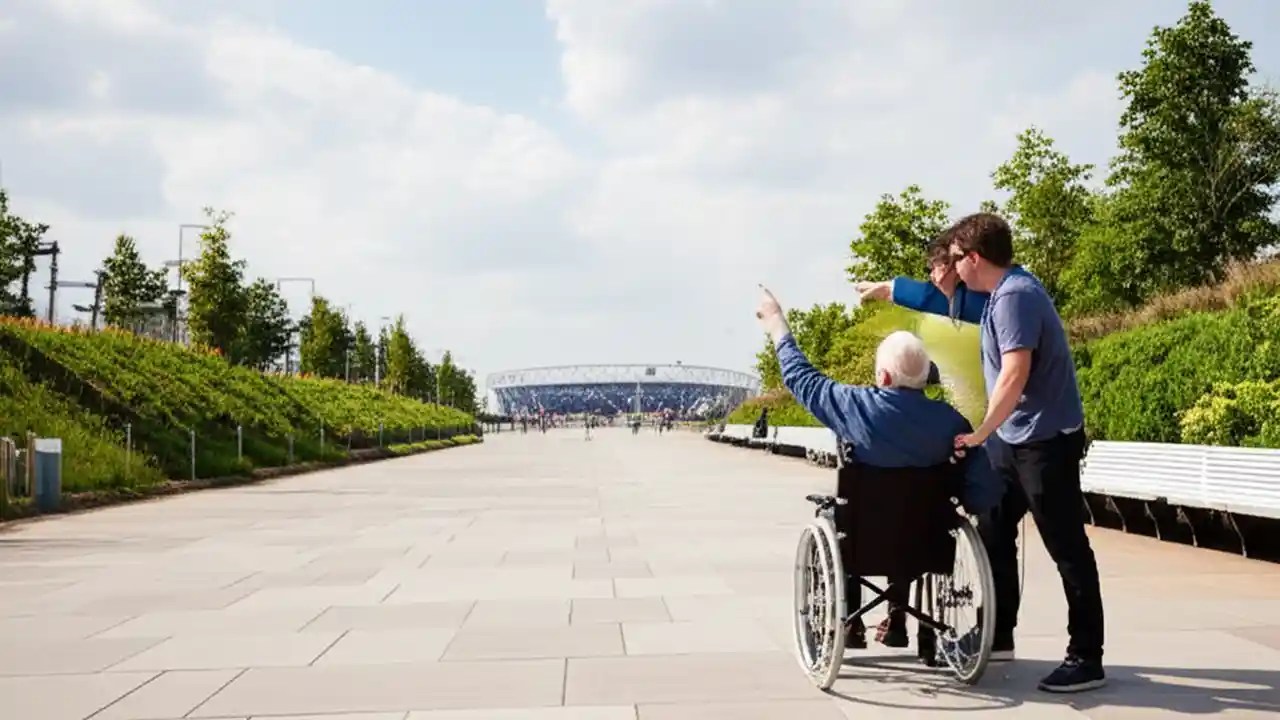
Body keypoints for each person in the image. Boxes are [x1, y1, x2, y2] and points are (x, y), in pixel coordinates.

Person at [855, 212, 1106, 694]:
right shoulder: (997, 294)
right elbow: (944, 300)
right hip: (1013, 441)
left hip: (1042, 443)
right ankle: (998, 634)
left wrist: (980, 432)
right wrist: (892, 287)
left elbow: (1014, 374)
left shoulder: (1014, 298)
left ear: (972, 258)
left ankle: (1086, 656)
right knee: (993, 528)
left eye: (952, 259)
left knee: (1067, 547)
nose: (945, 267)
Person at [755, 286, 1001, 650]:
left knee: (846, 517)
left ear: (883, 377)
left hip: (862, 539)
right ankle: (898, 618)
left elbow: (800, 377)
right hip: (927, 542)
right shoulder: (952, 423)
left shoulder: (853, 406)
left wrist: (777, 324)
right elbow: (983, 490)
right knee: (911, 519)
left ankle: (851, 625)